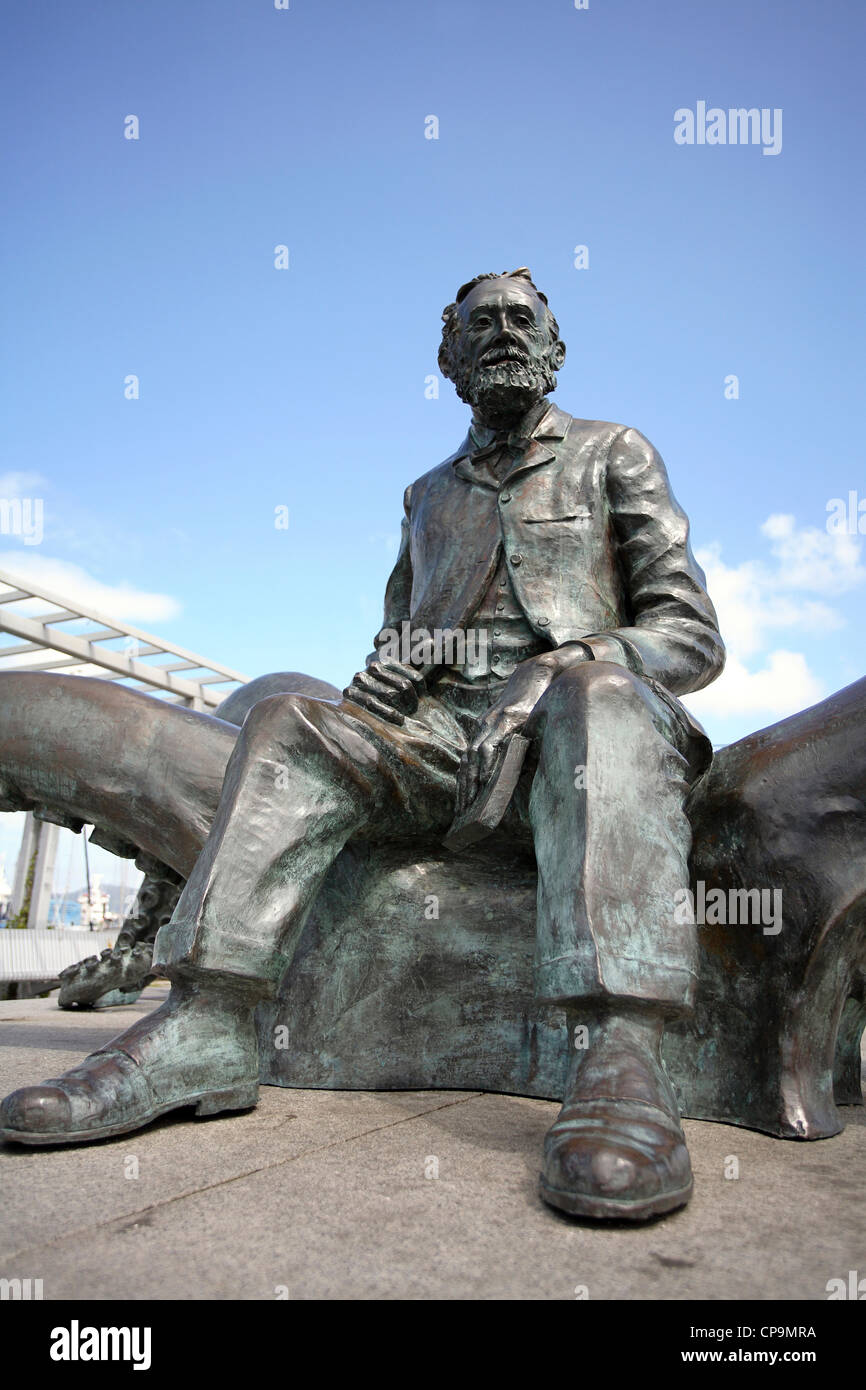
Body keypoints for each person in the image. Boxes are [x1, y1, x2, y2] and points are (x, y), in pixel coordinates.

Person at [0, 269, 724, 1221]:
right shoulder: (427, 494)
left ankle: (622, 1051)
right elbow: (401, 636)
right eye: (482, 325)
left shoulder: (613, 453)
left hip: (582, 734)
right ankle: (212, 1019)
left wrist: (559, 666)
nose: (505, 333)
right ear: (449, 358)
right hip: (441, 744)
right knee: (289, 721)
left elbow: (689, 634)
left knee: (596, 695)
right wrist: (388, 674)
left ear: (555, 344)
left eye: (523, 319)